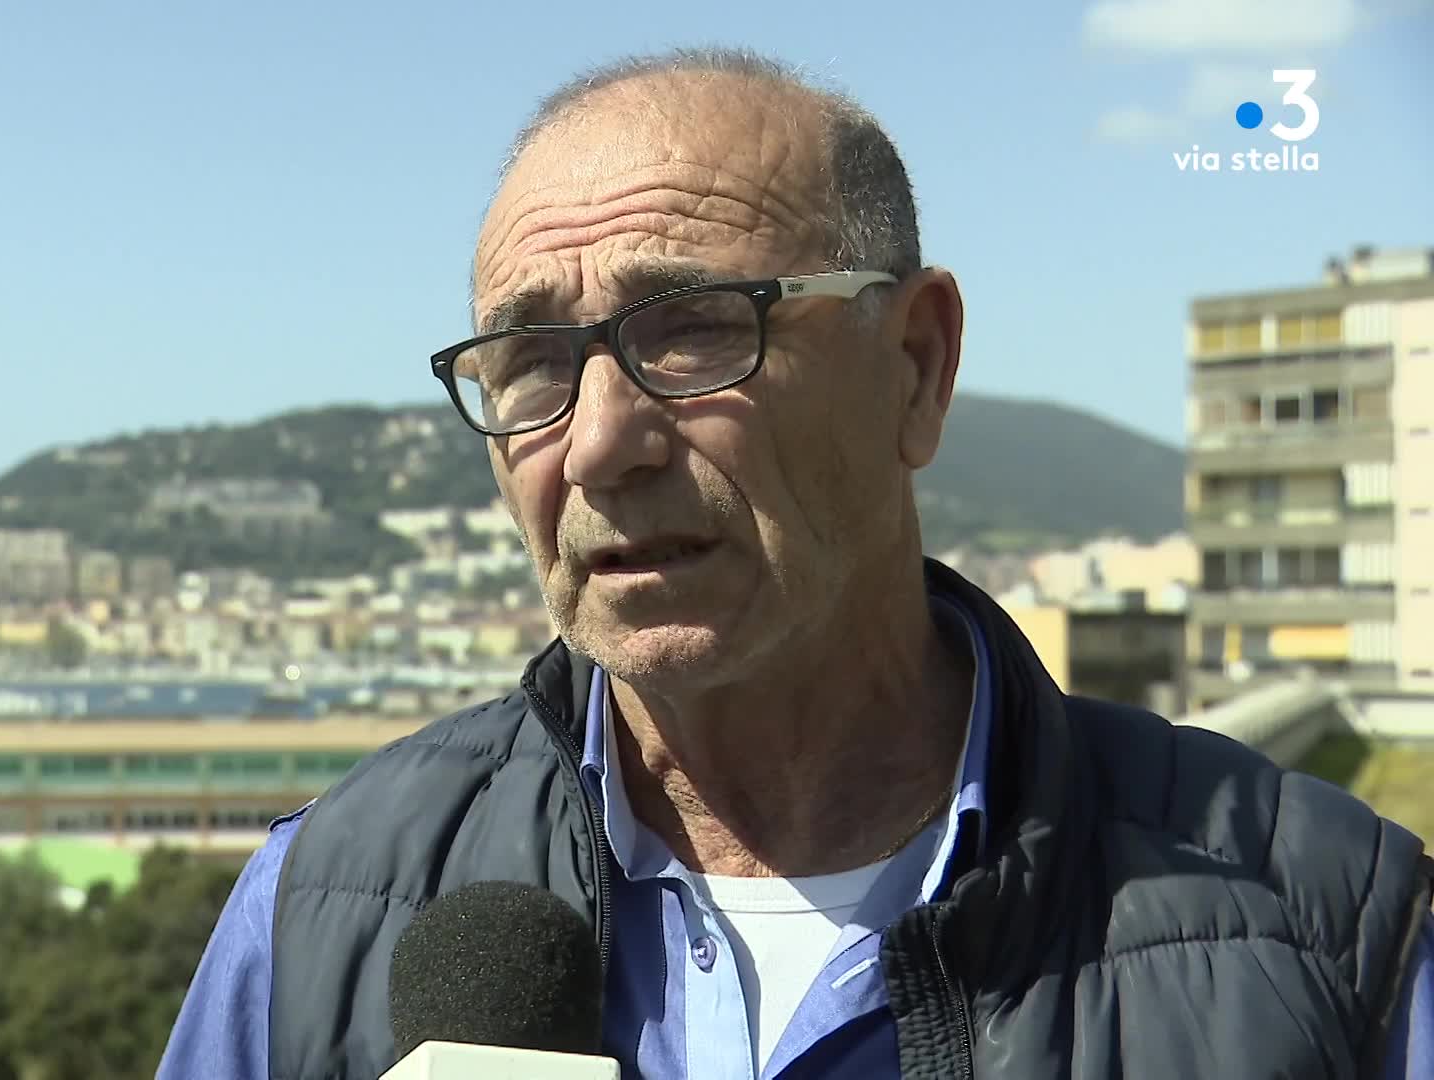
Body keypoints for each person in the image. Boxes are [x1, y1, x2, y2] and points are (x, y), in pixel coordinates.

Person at [158, 48, 1433, 1079]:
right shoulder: (320, 914)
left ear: (917, 367)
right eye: (533, 363)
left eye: (700, 327)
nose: (600, 444)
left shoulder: (1329, 925)